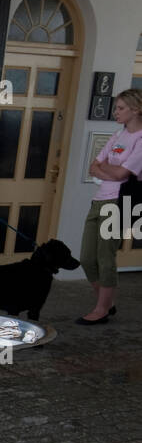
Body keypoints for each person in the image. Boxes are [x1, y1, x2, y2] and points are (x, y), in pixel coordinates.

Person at [76, 89, 142, 324]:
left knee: (105, 256)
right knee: (86, 257)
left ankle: (101, 309)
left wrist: (108, 170)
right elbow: (93, 166)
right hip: (99, 199)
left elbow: (123, 173)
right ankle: (107, 301)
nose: (116, 112)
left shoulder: (140, 139)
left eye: (121, 108)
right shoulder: (118, 135)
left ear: (136, 110)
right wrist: (108, 171)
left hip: (119, 201)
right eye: (116, 107)